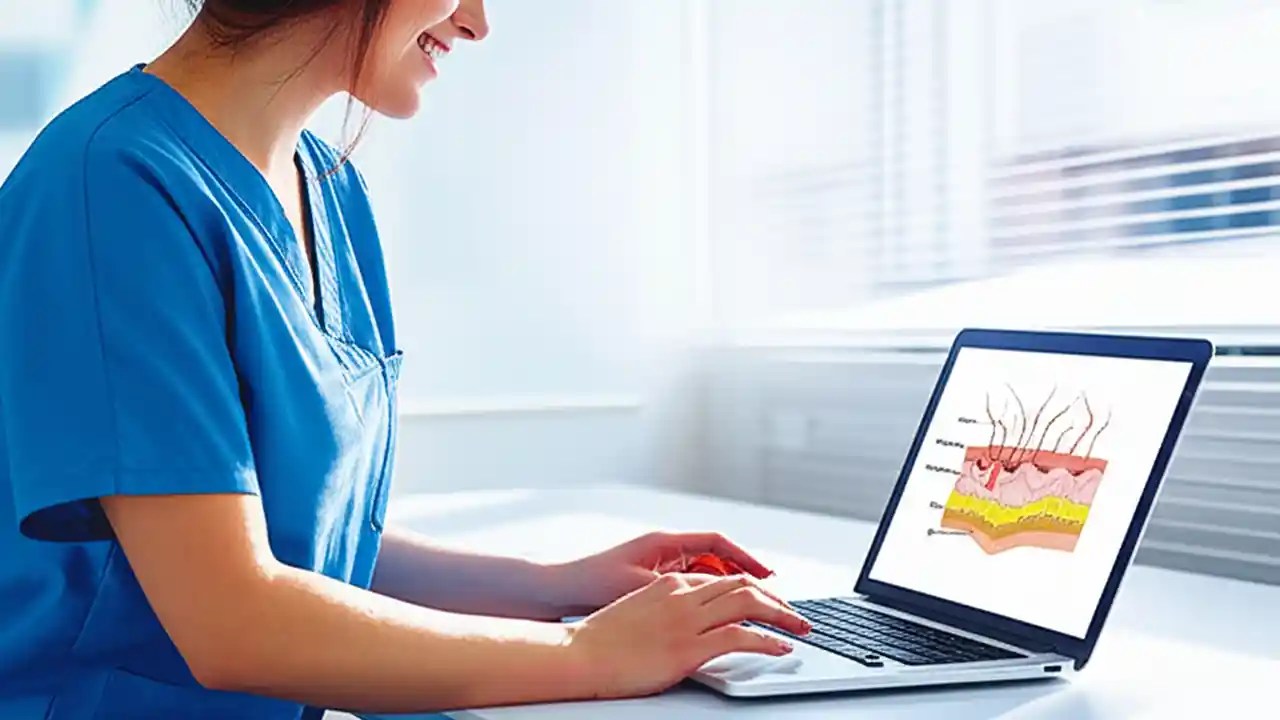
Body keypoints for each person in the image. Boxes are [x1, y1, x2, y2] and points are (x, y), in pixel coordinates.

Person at [0, 1, 811, 718]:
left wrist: (560, 585)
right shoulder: (110, 186)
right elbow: (231, 619)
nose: (476, 21)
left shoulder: (330, 187)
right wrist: (588, 657)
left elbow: (306, 545)